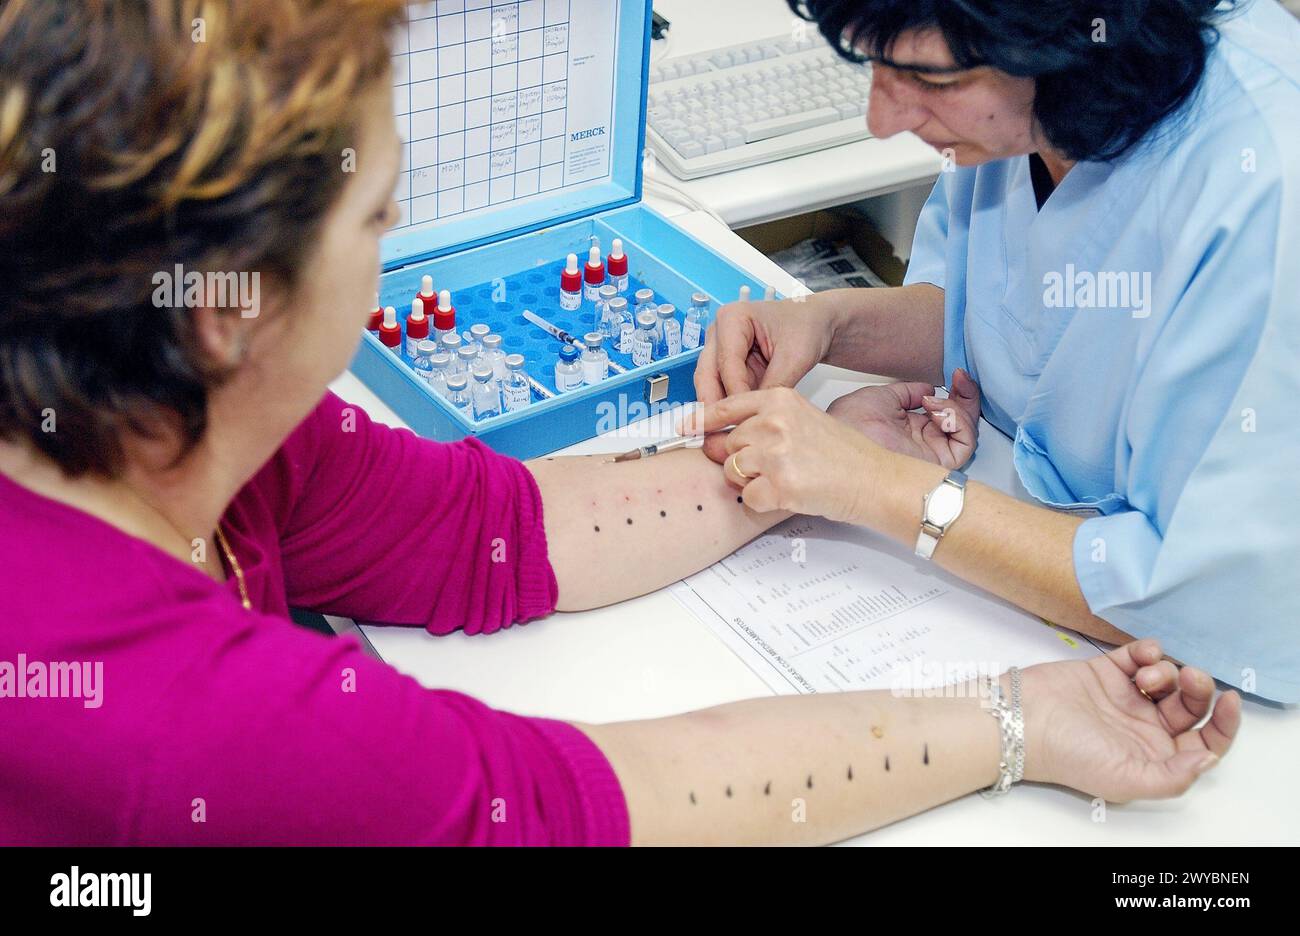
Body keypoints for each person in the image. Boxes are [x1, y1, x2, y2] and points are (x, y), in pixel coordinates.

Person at [0, 0, 1238, 846]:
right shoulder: (150, 708)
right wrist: (1019, 721)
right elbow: (567, 805)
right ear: (229, 314)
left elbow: (489, 527)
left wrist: (822, 462)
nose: (387, 265)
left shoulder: (182, 417)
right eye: (376, 221)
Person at [693, 0, 1300, 702]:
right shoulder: (1024, 102)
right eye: (876, 66)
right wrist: (830, 322)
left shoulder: (1264, 186)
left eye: (933, 80)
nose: (881, 122)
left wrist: (877, 487)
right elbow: (1008, 313)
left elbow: (1205, 602)